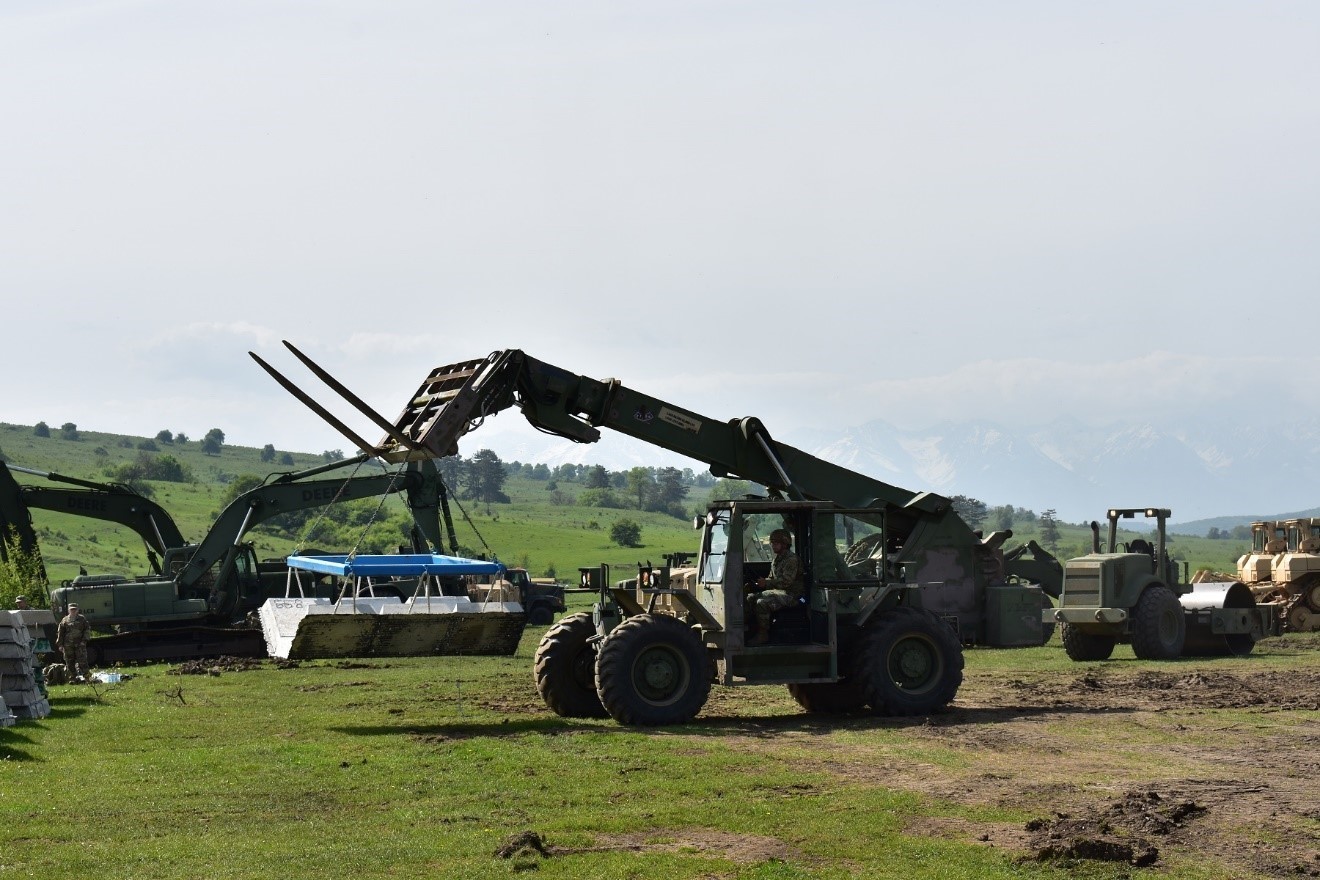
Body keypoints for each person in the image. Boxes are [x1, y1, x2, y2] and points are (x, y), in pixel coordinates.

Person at [745, 528, 804, 646]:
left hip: (792, 595)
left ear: (785, 544)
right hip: (780, 592)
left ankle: (763, 634)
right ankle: (749, 630)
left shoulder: (791, 559)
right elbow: (772, 578)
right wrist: (760, 583)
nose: (773, 545)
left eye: (776, 543)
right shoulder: (777, 559)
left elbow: (786, 582)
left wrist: (766, 583)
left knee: (761, 602)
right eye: (772, 543)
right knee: (750, 598)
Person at [56, 603, 91, 683]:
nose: (73, 611)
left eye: (75, 609)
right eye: (71, 609)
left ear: (77, 610)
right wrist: (60, 644)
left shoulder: (82, 619)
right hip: (68, 645)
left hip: (79, 645)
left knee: (83, 661)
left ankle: (87, 678)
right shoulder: (65, 620)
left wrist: (84, 641)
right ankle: (73, 678)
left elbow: (87, 630)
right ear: (68, 610)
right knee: (69, 662)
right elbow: (60, 632)